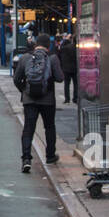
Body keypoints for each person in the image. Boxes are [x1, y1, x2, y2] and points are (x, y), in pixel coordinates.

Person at [13, 33, 63, 174]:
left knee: (29, 129)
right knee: (49, 127)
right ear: (49, 45)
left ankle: (26, 159)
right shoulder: (52, 58)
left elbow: (16, 79)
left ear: (36, 44)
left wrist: (24, 91)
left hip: (29, 100)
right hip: (47, 100)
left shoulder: (25, 58)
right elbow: (60, 78)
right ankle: (50, 156)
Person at [58, 35, 78, 103]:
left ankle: (67, 99)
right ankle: (75, 98)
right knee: (76, 84)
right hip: (75, 68)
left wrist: (66, 40)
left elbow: (60, 49)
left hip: (66, 69)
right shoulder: (76, 48)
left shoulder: (65, 48)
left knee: (66, 84)